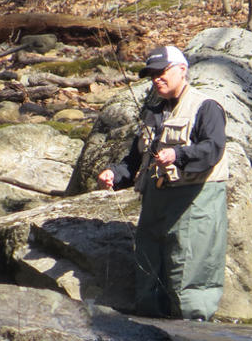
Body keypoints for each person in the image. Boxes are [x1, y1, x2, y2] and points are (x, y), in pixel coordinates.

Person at [98, 45, 228, 320]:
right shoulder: (153, 113)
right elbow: (134, 160)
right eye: (152, 74)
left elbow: (213, 149)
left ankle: (193, 334)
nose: (157, 78)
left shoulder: (206, 107)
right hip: (155, 203)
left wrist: (178, 154)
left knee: (189, 277)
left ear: (183, 70)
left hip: (195, 200)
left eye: (162, 72)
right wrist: (114, 174)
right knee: (148, 275)